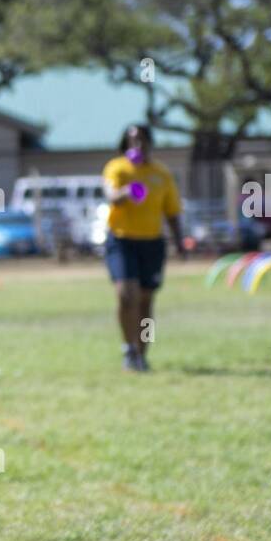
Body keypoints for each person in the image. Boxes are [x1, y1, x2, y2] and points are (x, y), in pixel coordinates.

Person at [102, 123, 186, 371]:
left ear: (150, 142)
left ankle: (142, 353)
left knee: (146, 302)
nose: (136, 145)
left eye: (141, 140)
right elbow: (110, 194)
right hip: (122, 241)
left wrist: (180, 242)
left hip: (152, 243)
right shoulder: (117, 168)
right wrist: (126, 192)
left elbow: (172, 212)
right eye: (131, 141)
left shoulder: (161, 173)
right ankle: (129, 349)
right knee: (126, 295)